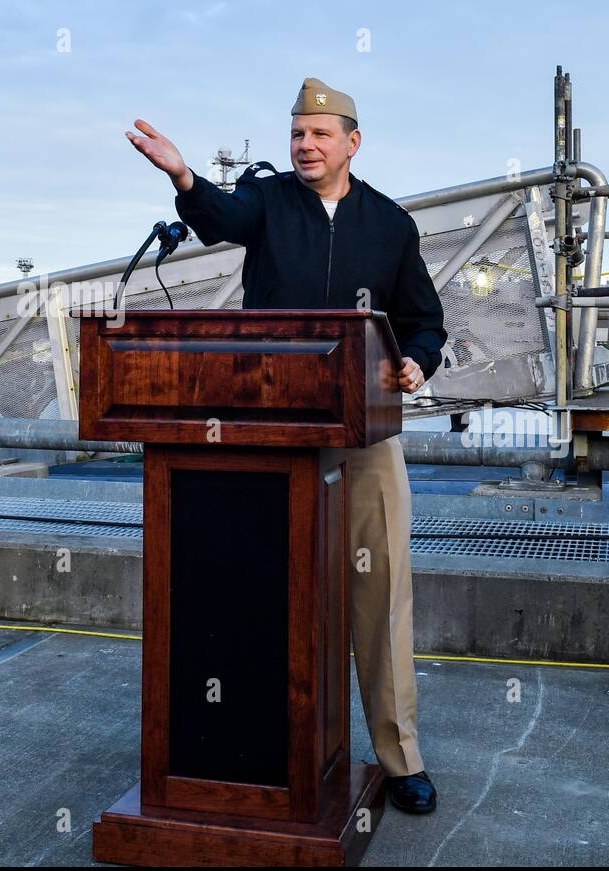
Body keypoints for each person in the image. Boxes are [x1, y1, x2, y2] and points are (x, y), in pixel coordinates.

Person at [125, 77, 446, 814]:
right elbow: (221, 214)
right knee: (267, 594)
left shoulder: (392, 224)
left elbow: (426, 321)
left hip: (365, 431)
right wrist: (183, 176)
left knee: (382, 590)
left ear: (352, 142)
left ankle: (401, 759)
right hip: (272, 430)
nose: (305, 146)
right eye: (297, 134)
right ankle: (269, 753)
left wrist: (418, 361)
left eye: (320, 135)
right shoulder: (266, 205)